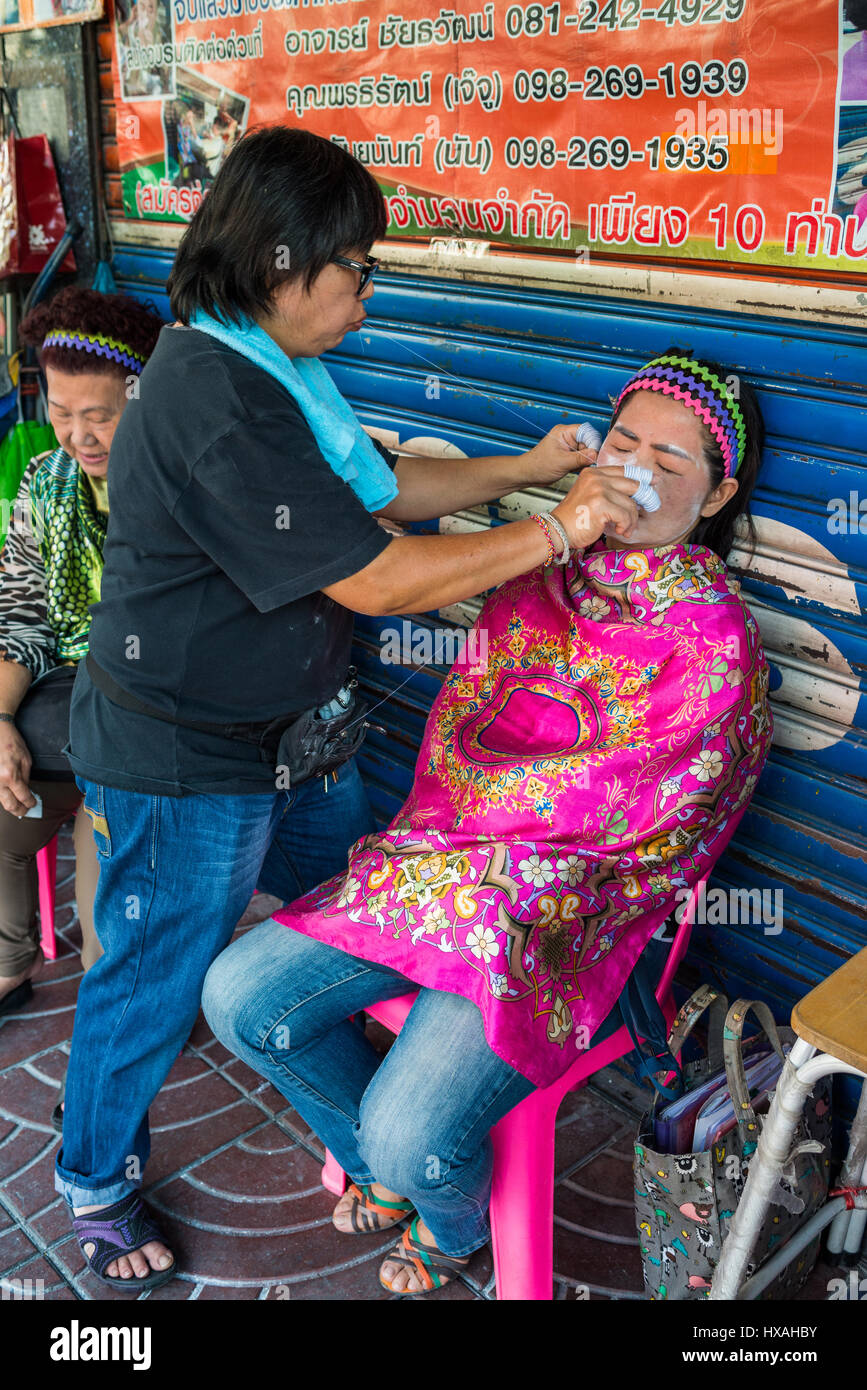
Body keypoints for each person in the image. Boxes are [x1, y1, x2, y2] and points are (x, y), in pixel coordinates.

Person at [54, 123, 632, 1292]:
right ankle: (97, 1183)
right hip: (187, 763)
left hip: (302, 745)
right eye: (357, 266)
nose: (371, 287)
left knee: (368, 918)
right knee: (155, 980)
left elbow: (384, 486)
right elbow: (374, 569)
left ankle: (380, 1141)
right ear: (279, 263)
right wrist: (562, 530)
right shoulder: (215, 394)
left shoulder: (271, 364)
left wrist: (524, 469)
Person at [203, 350, 774, 1296]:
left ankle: (450, 1219)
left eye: (671, 464)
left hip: (554, 913)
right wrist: (458, 853)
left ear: (714, 500)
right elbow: (464, 736)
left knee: (407, 1124)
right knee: (238, 996)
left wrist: (494, 865)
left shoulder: (711, 642)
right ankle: (406, 1180)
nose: (635, 468)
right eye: (622, 442)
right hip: (439, 868)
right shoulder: (545, 566)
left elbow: (642, 825)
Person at [0, 288, 163, 1034]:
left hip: (165, 705)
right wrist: (0, 716)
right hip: (72, 688)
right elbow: (25, 616)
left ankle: (112, 1009)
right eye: (60, 413)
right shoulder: (47, 485)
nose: (77, 436)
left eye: (99, 414)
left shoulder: (179, 491)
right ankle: (9, 964)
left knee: (108, 805)